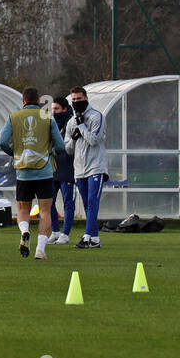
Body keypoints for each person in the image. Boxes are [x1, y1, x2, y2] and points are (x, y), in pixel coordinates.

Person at [0, 86, 66, 260]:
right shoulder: (47, 117)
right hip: (44, 171)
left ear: (23, 101)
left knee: (23, 209)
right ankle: (40, 250)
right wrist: (52, 153)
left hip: (23, 172)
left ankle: (25, 231)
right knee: (45, 211)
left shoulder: (14, 117)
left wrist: (14, 154)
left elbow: (2, 141)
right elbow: (60, 146)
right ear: (38, 101)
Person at [65, 86, 108, 249]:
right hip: (79, 169)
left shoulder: (97, 116)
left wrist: (81, 127)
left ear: (86, 98)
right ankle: (95, 239)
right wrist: (74, 137)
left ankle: (87, 237)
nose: (76, 102)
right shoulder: (71, 122)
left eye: (79, 99)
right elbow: (68, 148)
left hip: (96, 167)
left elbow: (94, 140)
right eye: (74, 100)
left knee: (92, 202)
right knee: (86, 204)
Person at [47, 96, 77, 244]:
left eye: (57, 109)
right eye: (52, 109)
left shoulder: (72, 122)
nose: (54, 112)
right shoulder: (51, 123)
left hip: (68, 168)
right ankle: (55, 231)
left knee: (68, 202)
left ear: (65, 109)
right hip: (53, 168)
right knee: (48, 202)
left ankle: (65, 234)